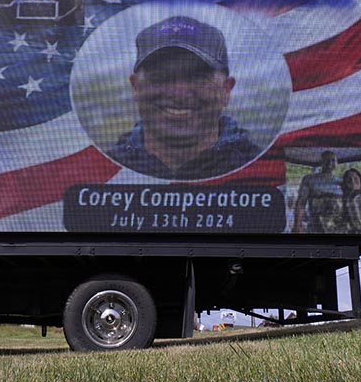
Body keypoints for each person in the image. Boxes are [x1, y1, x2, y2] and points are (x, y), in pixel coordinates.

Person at [109, 15, 262, 180]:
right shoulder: (101, 170)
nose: (179, 93)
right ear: (135, 87)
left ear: (226, 90)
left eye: (198, 77)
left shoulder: (263, 169)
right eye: (161, 76)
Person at [293, 151, 341, 233]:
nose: (330, 163)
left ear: (337, 163)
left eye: (333, 160)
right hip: (315, 227)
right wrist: (297, 224)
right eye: (327, 160)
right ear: (321, 162)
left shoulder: (341, 182)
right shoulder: (309, 179)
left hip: (337, 228)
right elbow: (301, 203)